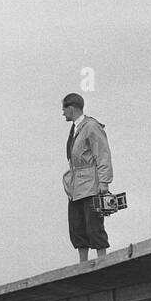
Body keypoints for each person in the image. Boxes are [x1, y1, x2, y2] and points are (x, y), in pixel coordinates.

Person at [61, 92, 113, 263]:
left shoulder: (91, 126)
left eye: (64, 108)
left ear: (71, 108)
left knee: (94, 225)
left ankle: (102, 261)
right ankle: (82, 263)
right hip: (75, 186)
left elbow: (102, 154)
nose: (62, 113)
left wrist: (104, 182)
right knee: (77, 226)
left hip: (91, 184)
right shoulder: (75, 129)